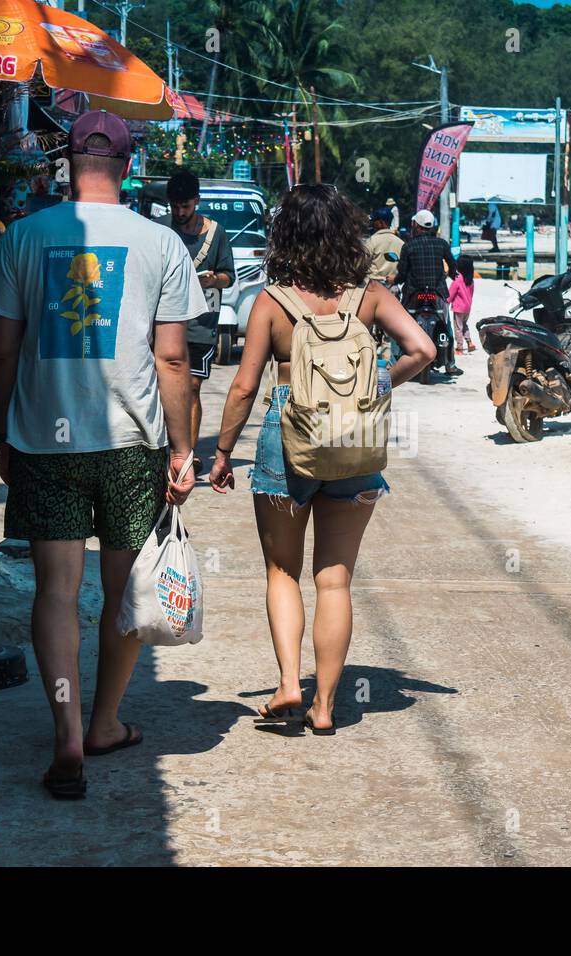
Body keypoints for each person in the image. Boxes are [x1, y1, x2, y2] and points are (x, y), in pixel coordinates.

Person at [0, 110, 205, 799]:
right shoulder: (161, 242)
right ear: (130, 163)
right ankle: (105, 721)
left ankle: (67, 732)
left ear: (66, 161)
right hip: (130, 441)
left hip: (44, 438)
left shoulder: (22, 237)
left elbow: (5, 349)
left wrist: (2, 433)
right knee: (122, 592)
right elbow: (172, 358)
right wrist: (183, 448)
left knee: (54, 591)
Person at [207, 183, 435, 735]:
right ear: (344, 232)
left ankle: (289, 681)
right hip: (354, 443)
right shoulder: (371, 295)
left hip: (287, 439)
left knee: (282, 569)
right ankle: (326, 706)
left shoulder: (271, 300)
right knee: (335, 580)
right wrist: (379, 383)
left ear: (285, 234)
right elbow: (424, 350)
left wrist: (220, 454)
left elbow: (242, 387)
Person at [154, 170, 235, 478]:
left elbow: (229, 276)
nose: (179, 212)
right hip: (162, 321)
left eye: (185, 206)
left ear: (196, 202)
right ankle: (164, 447)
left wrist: (215, 279)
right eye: (175, 205)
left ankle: (187, 450)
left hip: (201, 322)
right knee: (162, 386)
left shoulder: (216, 234)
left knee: (192, 387)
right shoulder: (159, 229)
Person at [396, 208, 462, 377]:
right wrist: (452, 273)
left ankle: (395, 360)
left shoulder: (408, 245)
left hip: (413, 292)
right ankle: (450, 364)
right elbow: (453, 265)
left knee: (400, 323)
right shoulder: (441, 244)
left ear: (416, 225)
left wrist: (394, 280)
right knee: (445, 324)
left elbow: (402, 273)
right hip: (437, 291)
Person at [364, 207, 404, 284]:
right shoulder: (401, 243)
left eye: (374, 221)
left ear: (381, 222)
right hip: (394, 287)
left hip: (374, 286)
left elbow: (362, 264)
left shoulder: (371, 241)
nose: (372, 223)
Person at [449, 255, 476, 354]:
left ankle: (459, 348)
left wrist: (446, 301)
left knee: (458, 327)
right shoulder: (471, 280)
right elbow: (471, 294)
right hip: (467, 307)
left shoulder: (458, 279)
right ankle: (469, 342)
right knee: (464, 325)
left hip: (459, 308)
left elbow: (451, 293)